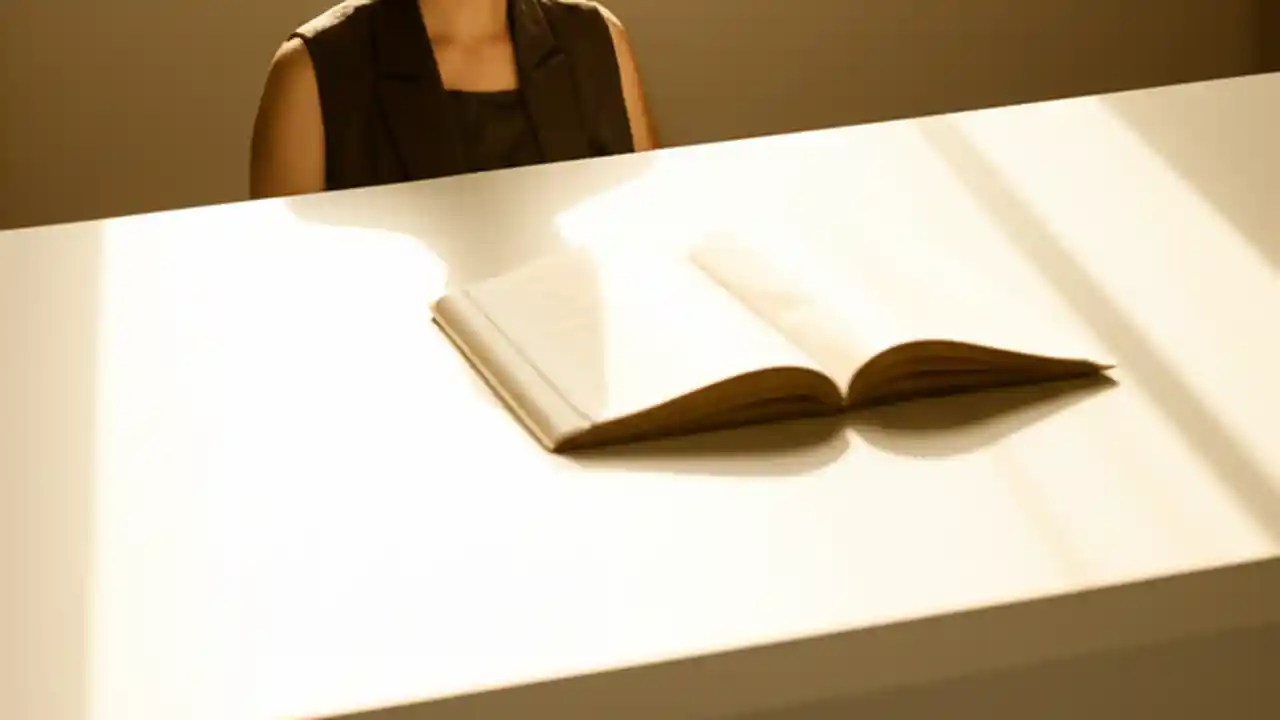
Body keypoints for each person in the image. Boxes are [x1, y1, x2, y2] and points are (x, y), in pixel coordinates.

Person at [250, 0, 656, 198]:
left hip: (580, 358)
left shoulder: (599, 41)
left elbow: (650, 252)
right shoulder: (311, 72)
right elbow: (286, 305)